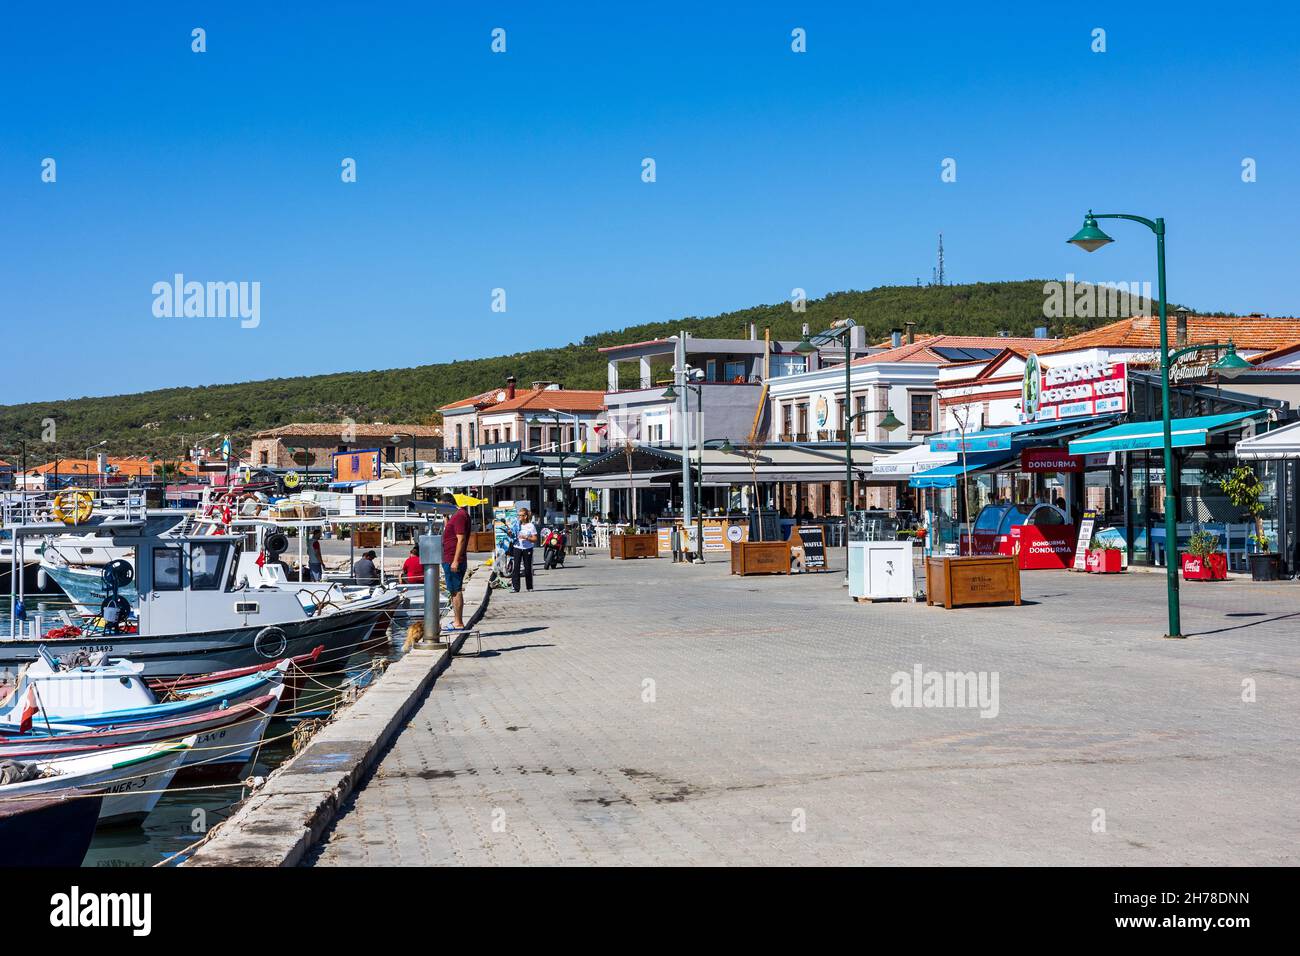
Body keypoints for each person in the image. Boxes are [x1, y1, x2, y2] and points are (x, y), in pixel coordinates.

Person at [441, 492, 469, 631]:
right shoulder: (456, 516)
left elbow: (461, 539)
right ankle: (457, 621)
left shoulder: (459, 516)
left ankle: (458, 622)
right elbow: (451, 533)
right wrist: (446, 519)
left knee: (455, 590)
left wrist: (455, 561)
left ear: (447, 504)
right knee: (453, 590)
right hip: (450, 558)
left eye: (441, 506)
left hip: (453, 559)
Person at [510, 506, 537, 592]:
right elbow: (512, 535)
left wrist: (527, 538)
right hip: (517, 547)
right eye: (518, 515)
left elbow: (535, 539)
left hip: (527, 548)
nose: (519, 517)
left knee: (527, 568)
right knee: (516, 567)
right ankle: (515, 587)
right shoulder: (516, 525)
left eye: (521, 515)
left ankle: (529, 587)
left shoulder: (531, 526)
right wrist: (509, 533)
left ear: (525, 516)